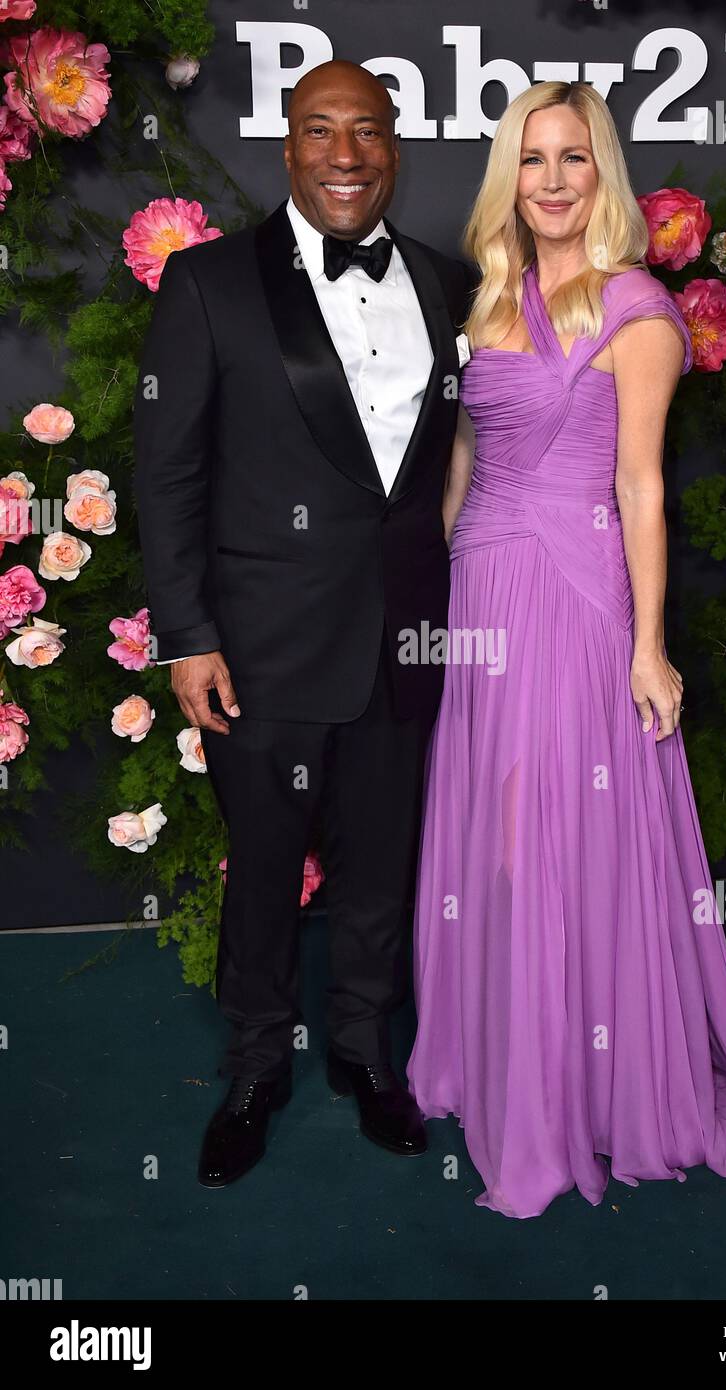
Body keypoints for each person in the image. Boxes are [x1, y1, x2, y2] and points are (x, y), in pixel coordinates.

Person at [406, 80, 726, 1219]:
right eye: (533, 159)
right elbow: (465, 464)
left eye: (574, 158)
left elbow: (639, 485)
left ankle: (584, 1084)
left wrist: (648, 647)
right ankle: (502, 1063)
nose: (554, 180)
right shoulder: (484, 305)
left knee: (563, 828)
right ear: (507, 177)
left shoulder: (637, 309)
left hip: (576, 596)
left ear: (600, 173)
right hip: (481, 590)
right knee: (499, 832)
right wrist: (426, 582)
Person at [133, 60, 472, 1187]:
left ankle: (366, 1053)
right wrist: (186, 634)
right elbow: (168, 473)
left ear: (395, 148)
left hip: (407, 638)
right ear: (285, 148)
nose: (344, 153)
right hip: (262, 648)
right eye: (320, 130)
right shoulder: (209, 284)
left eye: (366, 131)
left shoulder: (445, 282)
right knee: (267, 868)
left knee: (383, 866)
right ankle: (251, 1067)